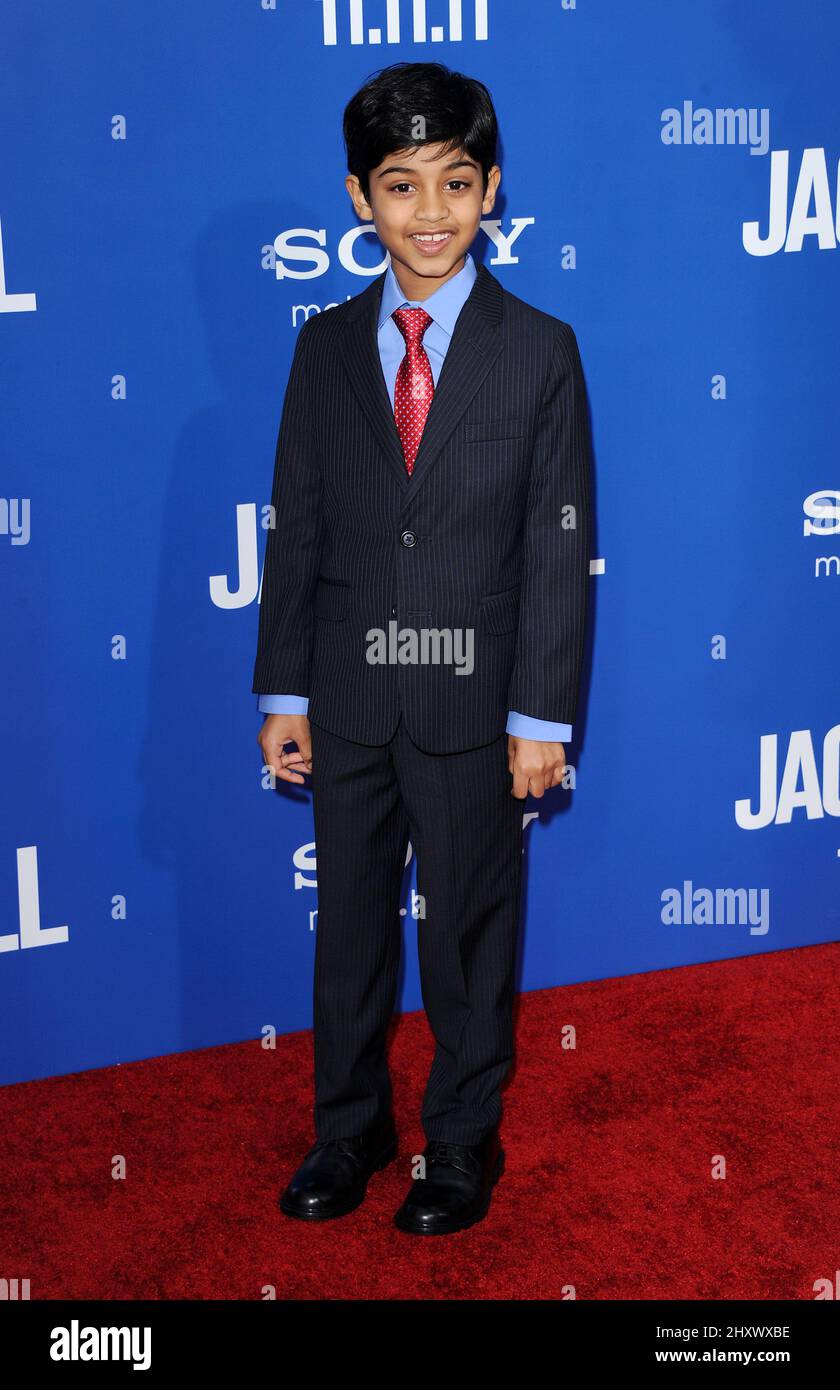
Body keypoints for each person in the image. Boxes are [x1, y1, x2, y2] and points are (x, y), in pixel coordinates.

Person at [252, 61, 593, 1236]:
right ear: (360, 200)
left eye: (455, 182)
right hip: (345, 697)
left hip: (475, 701)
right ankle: (347, 1129)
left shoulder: (540, 350)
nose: (431, 212)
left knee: (465, 935)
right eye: (402, 186)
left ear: (492, 189)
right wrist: (285, 688)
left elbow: (560, 548)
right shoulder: (324, 348)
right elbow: (296, 523)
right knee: (347, 931)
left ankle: (458, 1140)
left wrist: (541, 718)